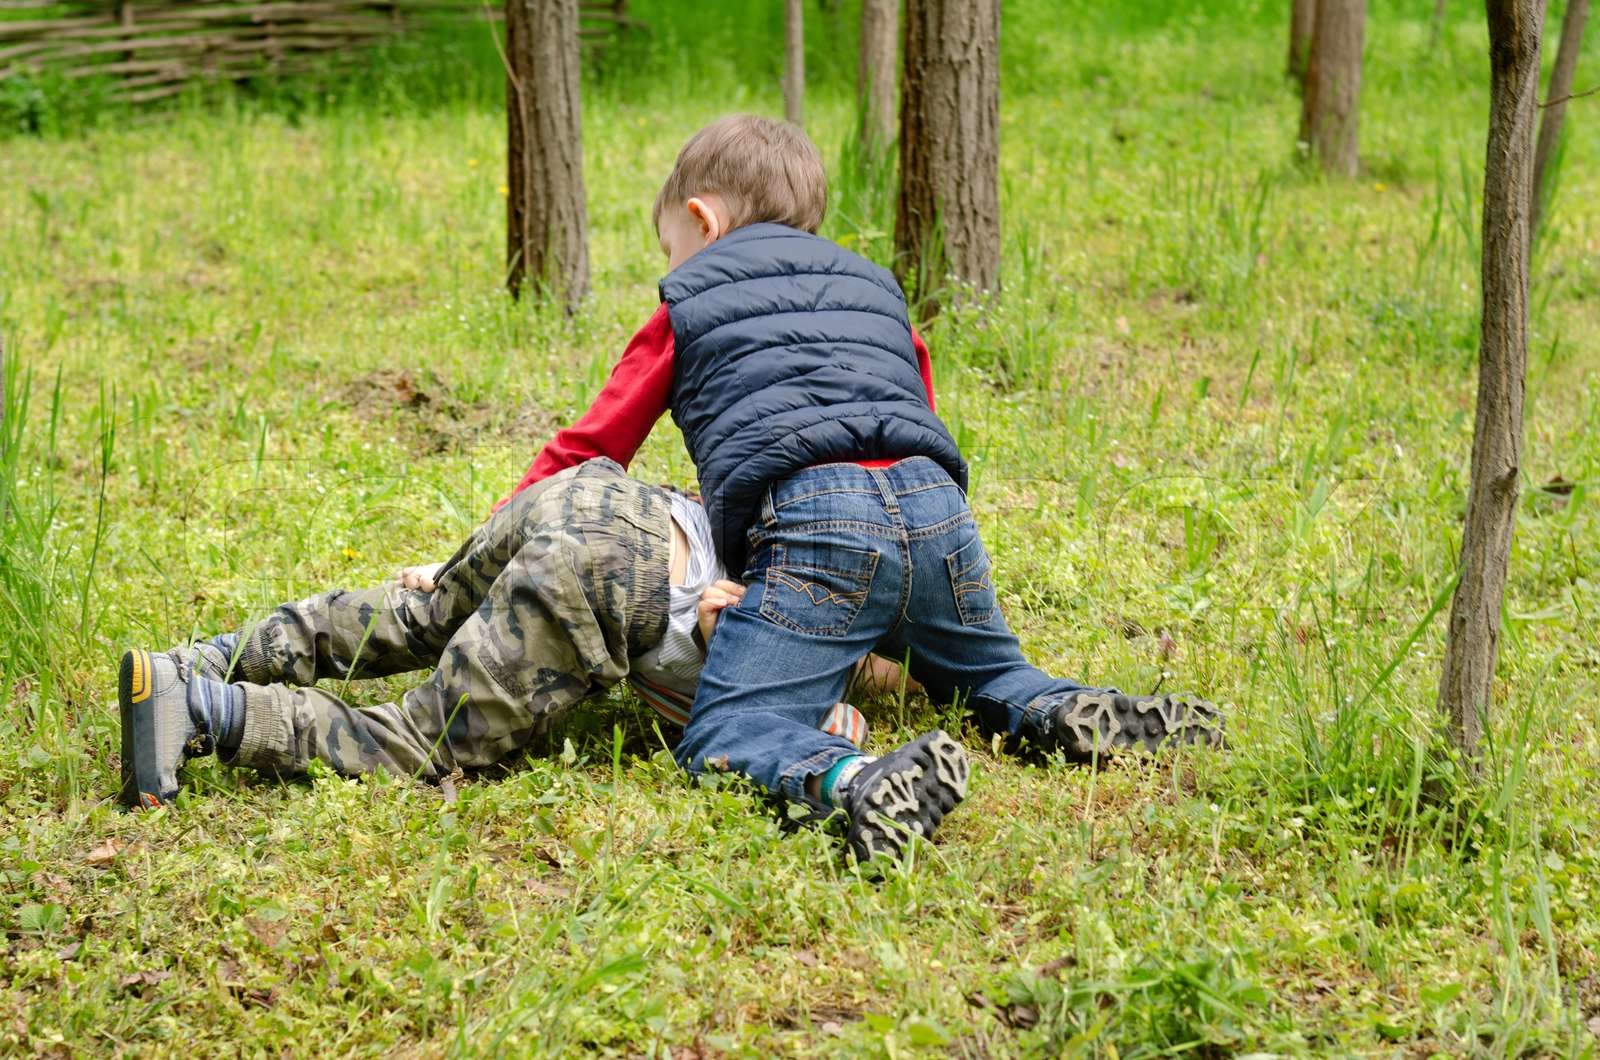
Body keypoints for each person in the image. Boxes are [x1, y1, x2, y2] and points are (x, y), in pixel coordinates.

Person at [497, 115, 1223, 863]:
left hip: (818, 527)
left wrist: (484, 552)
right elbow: (920, 413)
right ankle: (1067, 709)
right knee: (993, 674)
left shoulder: (689, 302)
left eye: (669, 249)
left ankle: (858, 781)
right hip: (939, 517)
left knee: (727, 725)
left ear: (700, 219)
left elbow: (589, 451)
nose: (672, 265)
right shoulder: (879, 289)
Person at [117, 459, 893, 809]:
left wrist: (472, 562)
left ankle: (209, 655)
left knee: (422, 617)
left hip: (594, 493)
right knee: (426, 741)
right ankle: (199, 708)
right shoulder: (799, 659)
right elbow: (811, 719)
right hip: (613, 571)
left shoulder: (809, 530)